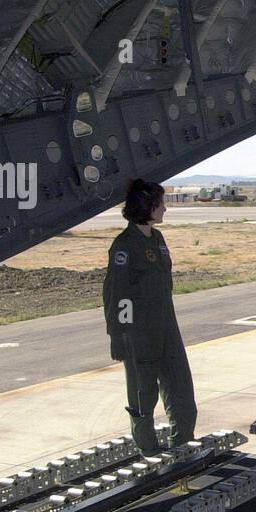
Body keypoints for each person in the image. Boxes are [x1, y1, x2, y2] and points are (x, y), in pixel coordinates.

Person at [102, 178, 197, 454]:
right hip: (138, 332)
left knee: (181, 392)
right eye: (161, 204)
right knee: (143, 397)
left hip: (167, 327)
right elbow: (115, 293)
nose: (165, 209)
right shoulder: (124, 245)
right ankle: (149, 454)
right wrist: (118, 335)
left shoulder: (158, 239)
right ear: (147, 206)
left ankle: (182, 448)